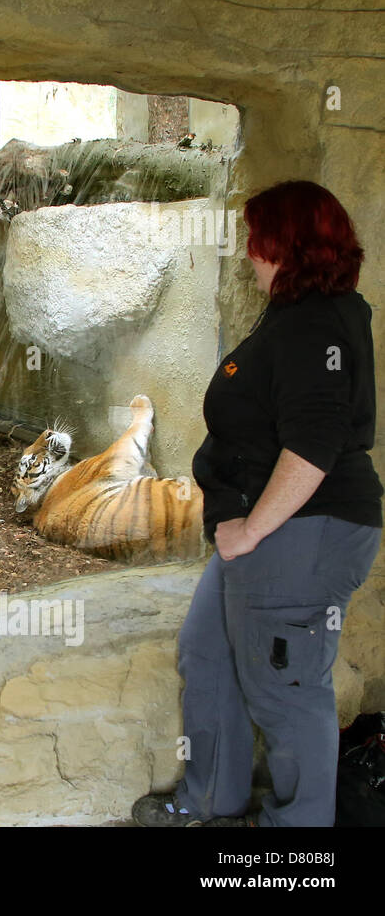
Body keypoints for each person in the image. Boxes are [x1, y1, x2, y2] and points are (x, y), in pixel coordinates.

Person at [133, 180, 383, 827]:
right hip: (268, 530)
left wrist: (249, 530)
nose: (248, 249)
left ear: (287, 242)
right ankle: (211, 799)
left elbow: (315, 445)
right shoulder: (298, 315)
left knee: (287, 687)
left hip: (299, 530)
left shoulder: (316, 322)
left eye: (258, 235)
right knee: (206, 651)